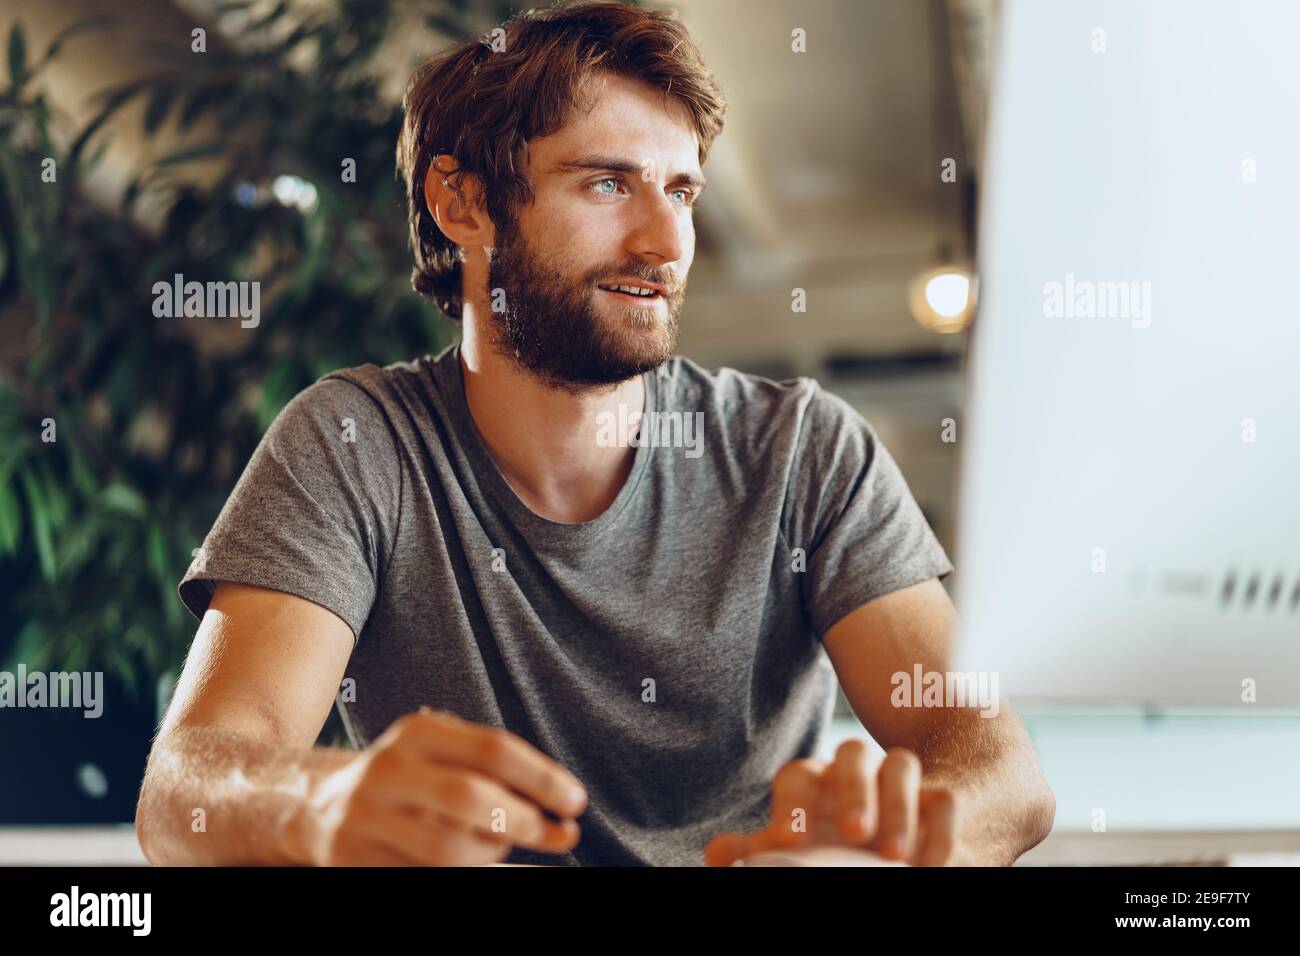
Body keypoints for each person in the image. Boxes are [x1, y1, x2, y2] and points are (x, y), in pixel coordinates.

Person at [135, 0, 1053, 867]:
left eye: (683, 191)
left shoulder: (805, 450)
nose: (664, 241)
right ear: (462, 205)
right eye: (609, 182)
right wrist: (321, 806)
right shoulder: (353, 444)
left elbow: (999, 769)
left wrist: (906, 839)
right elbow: (186, 787)